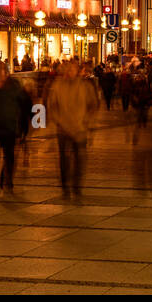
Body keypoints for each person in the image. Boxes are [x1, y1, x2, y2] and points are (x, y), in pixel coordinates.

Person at [45, 59, 100, 201]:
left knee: (80, 160)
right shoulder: (57, 86)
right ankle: (65, 187)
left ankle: (77, 187)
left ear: (77, 71)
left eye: (73, 69)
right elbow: (52, 106)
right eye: (68, 69)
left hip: (80, 129)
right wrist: (58, 120)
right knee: (64, 160)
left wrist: (87, 122)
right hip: (63, 129)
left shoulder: (85, 86)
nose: (70, 72)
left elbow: (93, 106)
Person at [0, 63, 29, 196]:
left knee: (9, 157)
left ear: (7, 74)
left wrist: (25, 130)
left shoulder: (15, 87)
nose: (0, 78)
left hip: (9, 127)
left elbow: (27, 106)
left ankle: (6, 181)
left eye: (3, 74)